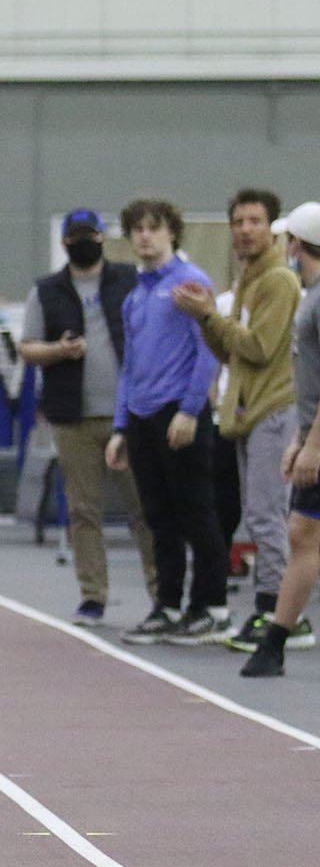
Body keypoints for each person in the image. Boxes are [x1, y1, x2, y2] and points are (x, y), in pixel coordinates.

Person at [171, 189, 303, 651]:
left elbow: (259, 348)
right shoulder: (248, 279)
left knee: (267, 517)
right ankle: (274, 608)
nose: (245, 229)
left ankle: (276, 612)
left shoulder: (280, 281)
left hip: (273, 410)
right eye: (238, 221)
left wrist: (210, 314)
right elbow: (230, 354)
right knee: (256, 515)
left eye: (254, 220)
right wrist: (208, 322)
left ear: (273, 228)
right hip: (247, 414)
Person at [18, 209, 159, 625]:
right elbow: (27, 348)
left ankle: (162, 593)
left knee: (145, 508)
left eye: (90, 235)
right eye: (76, 236)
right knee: (84, 510)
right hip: (72, 416)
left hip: (130, 415)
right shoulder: (46, 291)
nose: (84, 242)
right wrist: (59, 351)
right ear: (65, 243)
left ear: (102, 239)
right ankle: (93, 596)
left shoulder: (129, 280)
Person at [106, 199, 228, 643]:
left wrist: (190, 411)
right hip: (141, 416)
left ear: (172, 233)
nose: (144, 236)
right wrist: (121, 427)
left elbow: (209, 351)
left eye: (153, 228)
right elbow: (131, 366)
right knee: (158, 517)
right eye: (136, 229)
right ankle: (168, 605)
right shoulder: (135, 296)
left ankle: (212, 607)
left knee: (196, 512)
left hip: (179, 414)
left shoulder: (191, 283)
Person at [242, 201, 320, 675]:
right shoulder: (310, 297)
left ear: (297, 243)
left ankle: (274, 642)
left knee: (303, 534)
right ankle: (274, 642)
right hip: (311, 433)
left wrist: (313, 444)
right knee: (302, 534)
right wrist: (299, 437)